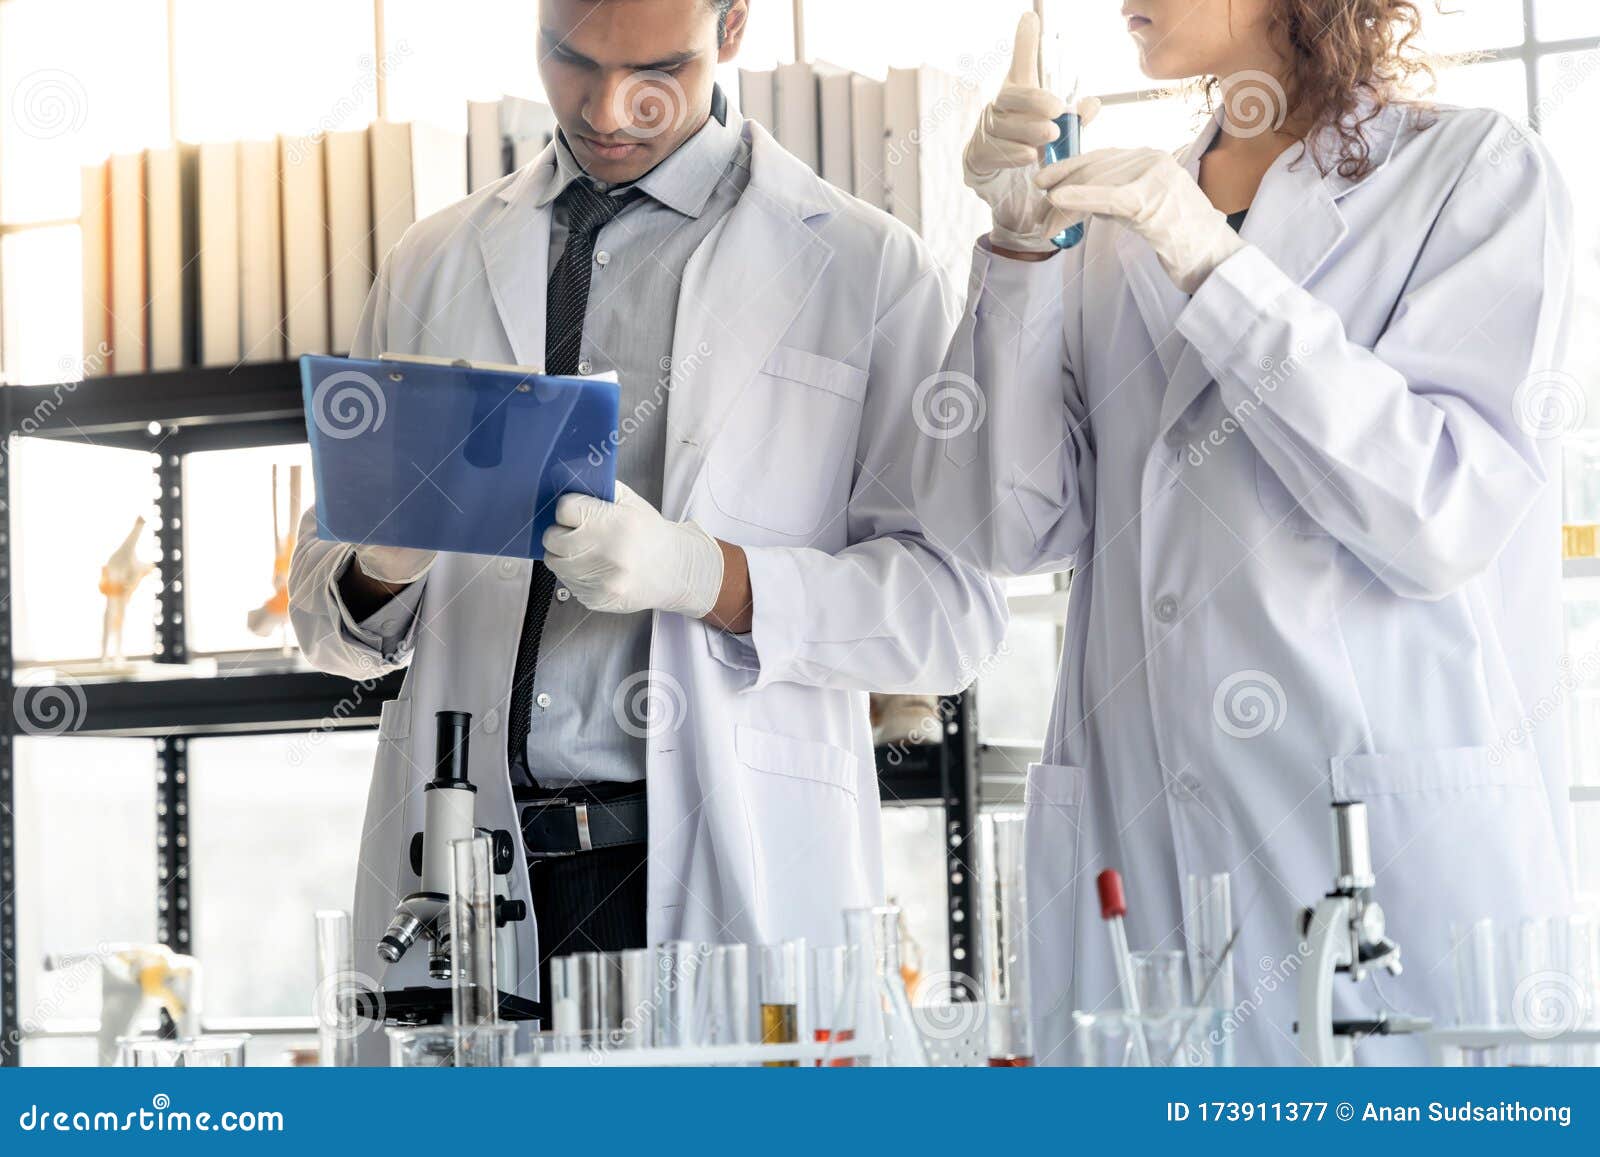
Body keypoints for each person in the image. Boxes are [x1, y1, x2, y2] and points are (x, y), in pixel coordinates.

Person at [290, 0, 1005, 1052]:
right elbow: (323, 619)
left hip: (718, 858)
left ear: (733, 28)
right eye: (570, 61)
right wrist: (383, 560)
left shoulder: (864, 266)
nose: (610, 109)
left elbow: (951, 615)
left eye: (657, 67)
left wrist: (698, 572)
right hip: (470, 859)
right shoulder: (433, 260)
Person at [916, 4, 1575, 1064]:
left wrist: (1210, 265)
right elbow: (1007, 524)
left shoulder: (1471, 171)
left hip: (1372, 862)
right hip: (1141, 848)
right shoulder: (1115, 209)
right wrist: (1017, 249)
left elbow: (1439, 512)